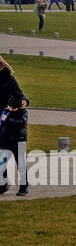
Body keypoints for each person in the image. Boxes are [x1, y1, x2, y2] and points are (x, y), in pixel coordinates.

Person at [0, 56, 30, 196]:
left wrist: (23, 102)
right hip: (2, 125)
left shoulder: (8, 79)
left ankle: (24, 186)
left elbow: (21, 96)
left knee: (20, 160)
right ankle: (3, 183)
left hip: (10, 124)